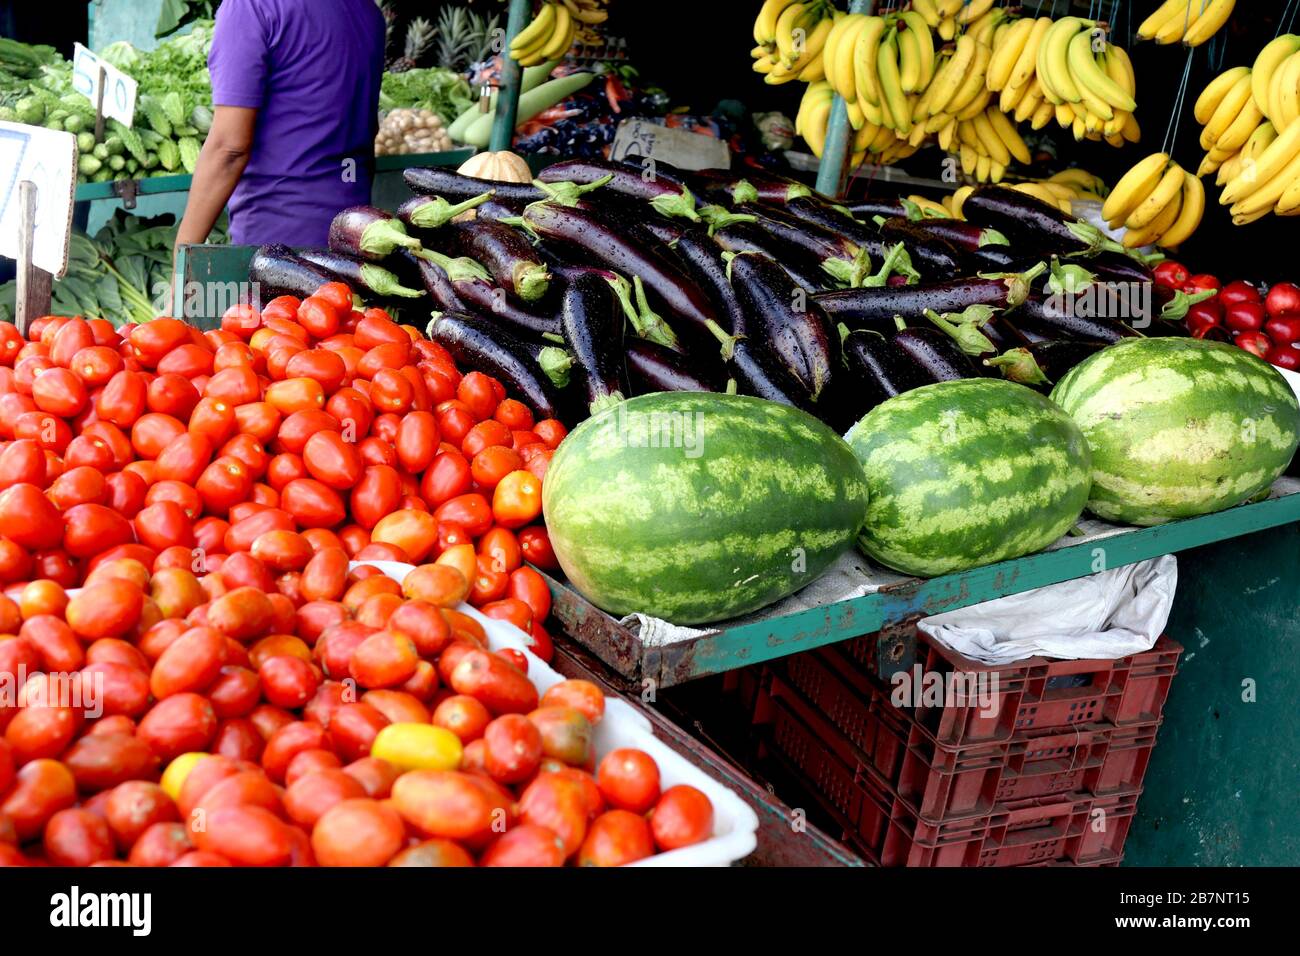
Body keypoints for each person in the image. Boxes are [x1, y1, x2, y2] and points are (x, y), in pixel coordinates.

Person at [174, 0, 385, 252]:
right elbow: (367, 127)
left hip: (279, 241)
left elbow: (229, 150)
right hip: (357, 230)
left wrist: (182, 255)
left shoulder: (251, 7)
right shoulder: (367, 11)